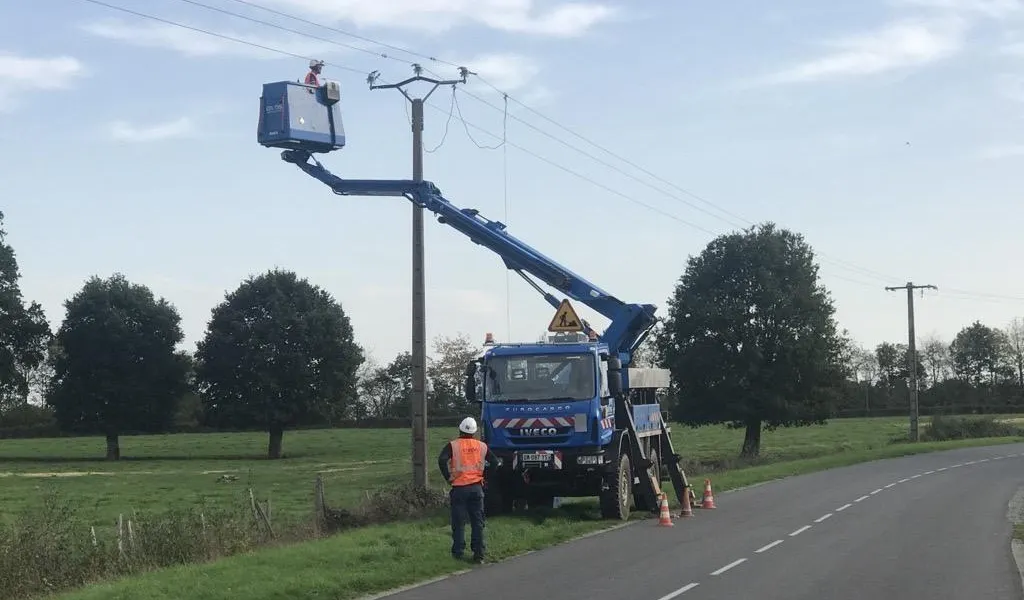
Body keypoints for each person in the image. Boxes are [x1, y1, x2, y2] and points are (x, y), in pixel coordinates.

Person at [437, 416, 499, 563]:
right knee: (478, 522)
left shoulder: (453, 445)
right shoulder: (481, 446)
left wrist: (448, 477)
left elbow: (441, 459)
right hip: (477, 488)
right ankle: (479, 554)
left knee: (458, 522)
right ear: (474, 432)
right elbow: (495, 462)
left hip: (459, 488)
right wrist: (485, 477)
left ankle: (458, 553)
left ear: (460, 430)